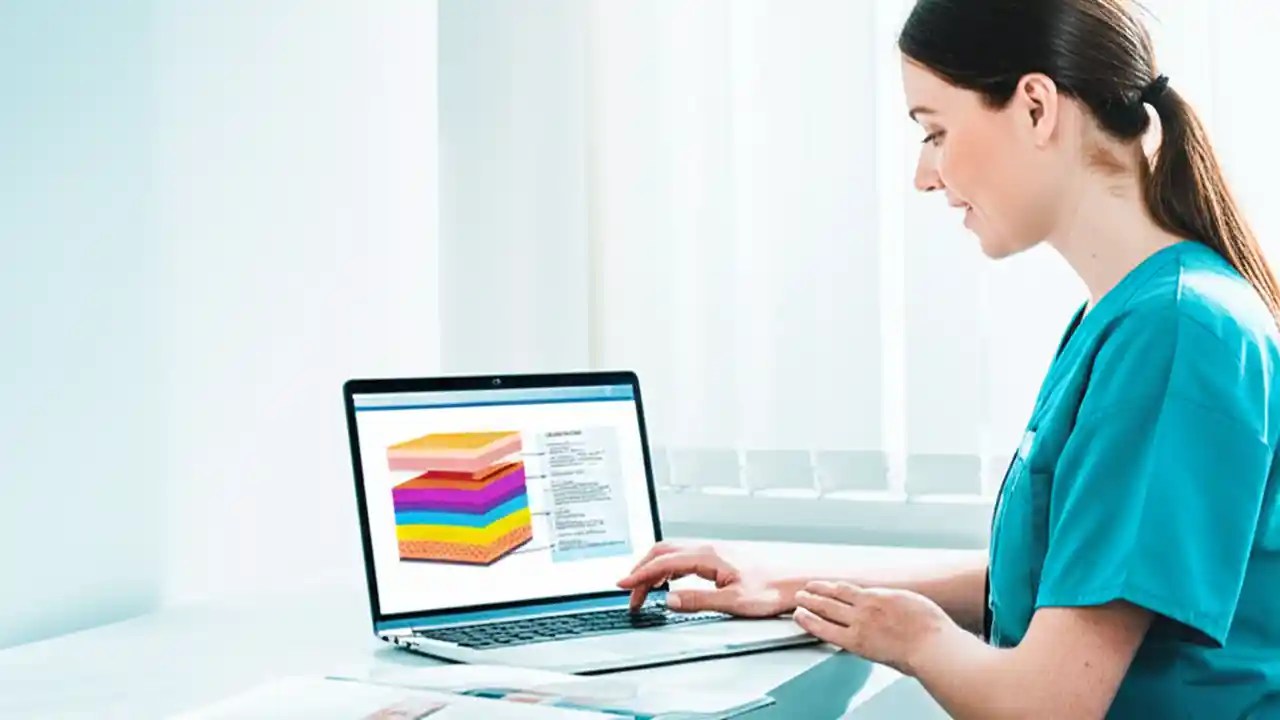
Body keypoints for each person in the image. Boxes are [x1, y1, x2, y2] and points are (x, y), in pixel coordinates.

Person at [617, 1, 1280, 718]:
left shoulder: (1175, 332)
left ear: (1035, 108)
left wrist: (919, 640)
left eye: (934, 131)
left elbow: (1049, 706)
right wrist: (787, 583)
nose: (923, 176)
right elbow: (1054, 584)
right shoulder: (1130, 316)